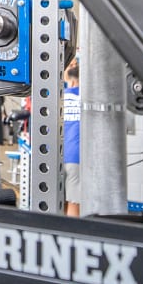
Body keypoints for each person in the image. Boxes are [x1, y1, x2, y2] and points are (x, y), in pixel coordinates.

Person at [63, 60, 81, 216]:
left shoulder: (57, 99)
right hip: (76, 158)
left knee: (55, 201)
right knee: (74, 204)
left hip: (54, 157)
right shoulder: (87, 97)